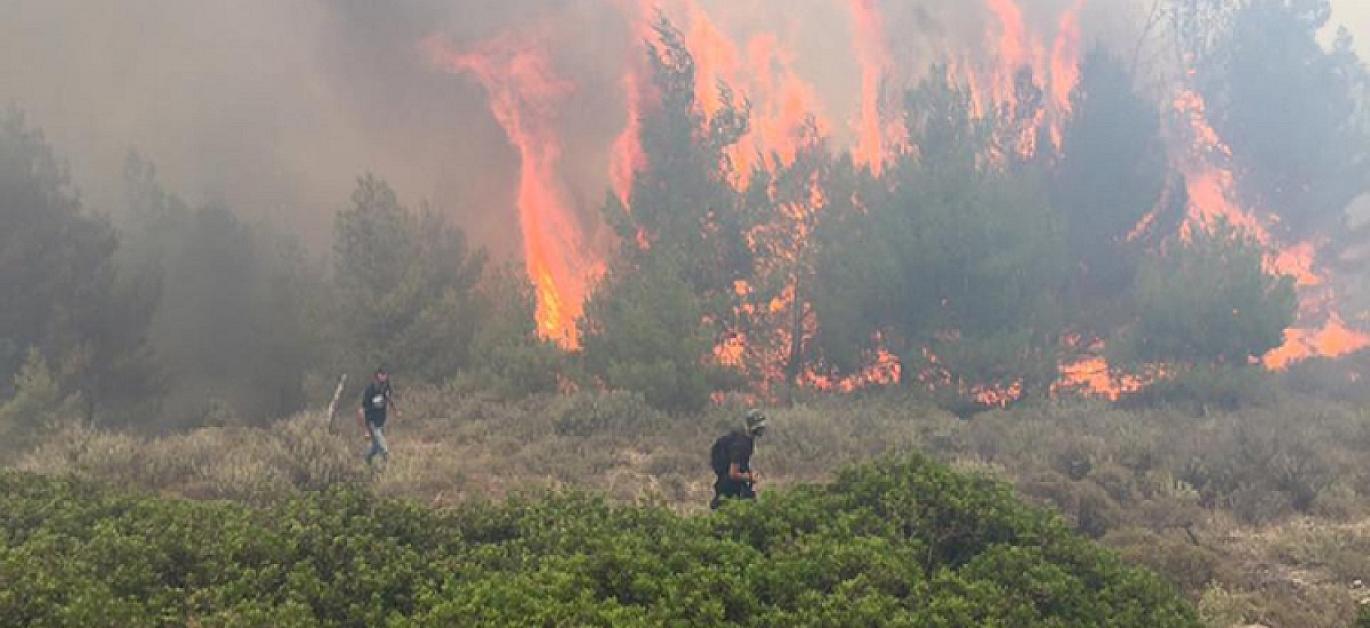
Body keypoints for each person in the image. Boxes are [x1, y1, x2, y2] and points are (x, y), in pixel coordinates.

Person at [710, 409, 767, 509]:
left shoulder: (742, 440)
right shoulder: (742, 445)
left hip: (726, 485)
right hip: (731, 488)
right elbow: (733, 474)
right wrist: (750, 477)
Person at [358, 366, 399, 465]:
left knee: (375, 446)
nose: (384, 377)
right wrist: (366, 430)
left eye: (386, 375)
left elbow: (389, 399)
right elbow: (361, 410)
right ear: (378, 376)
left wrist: (395, 410)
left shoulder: (386, 386)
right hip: (371, 420)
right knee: (380, 440)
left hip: (381, 419)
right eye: (382, 375)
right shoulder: (370, 389)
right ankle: (386, 458)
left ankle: (367, 458)